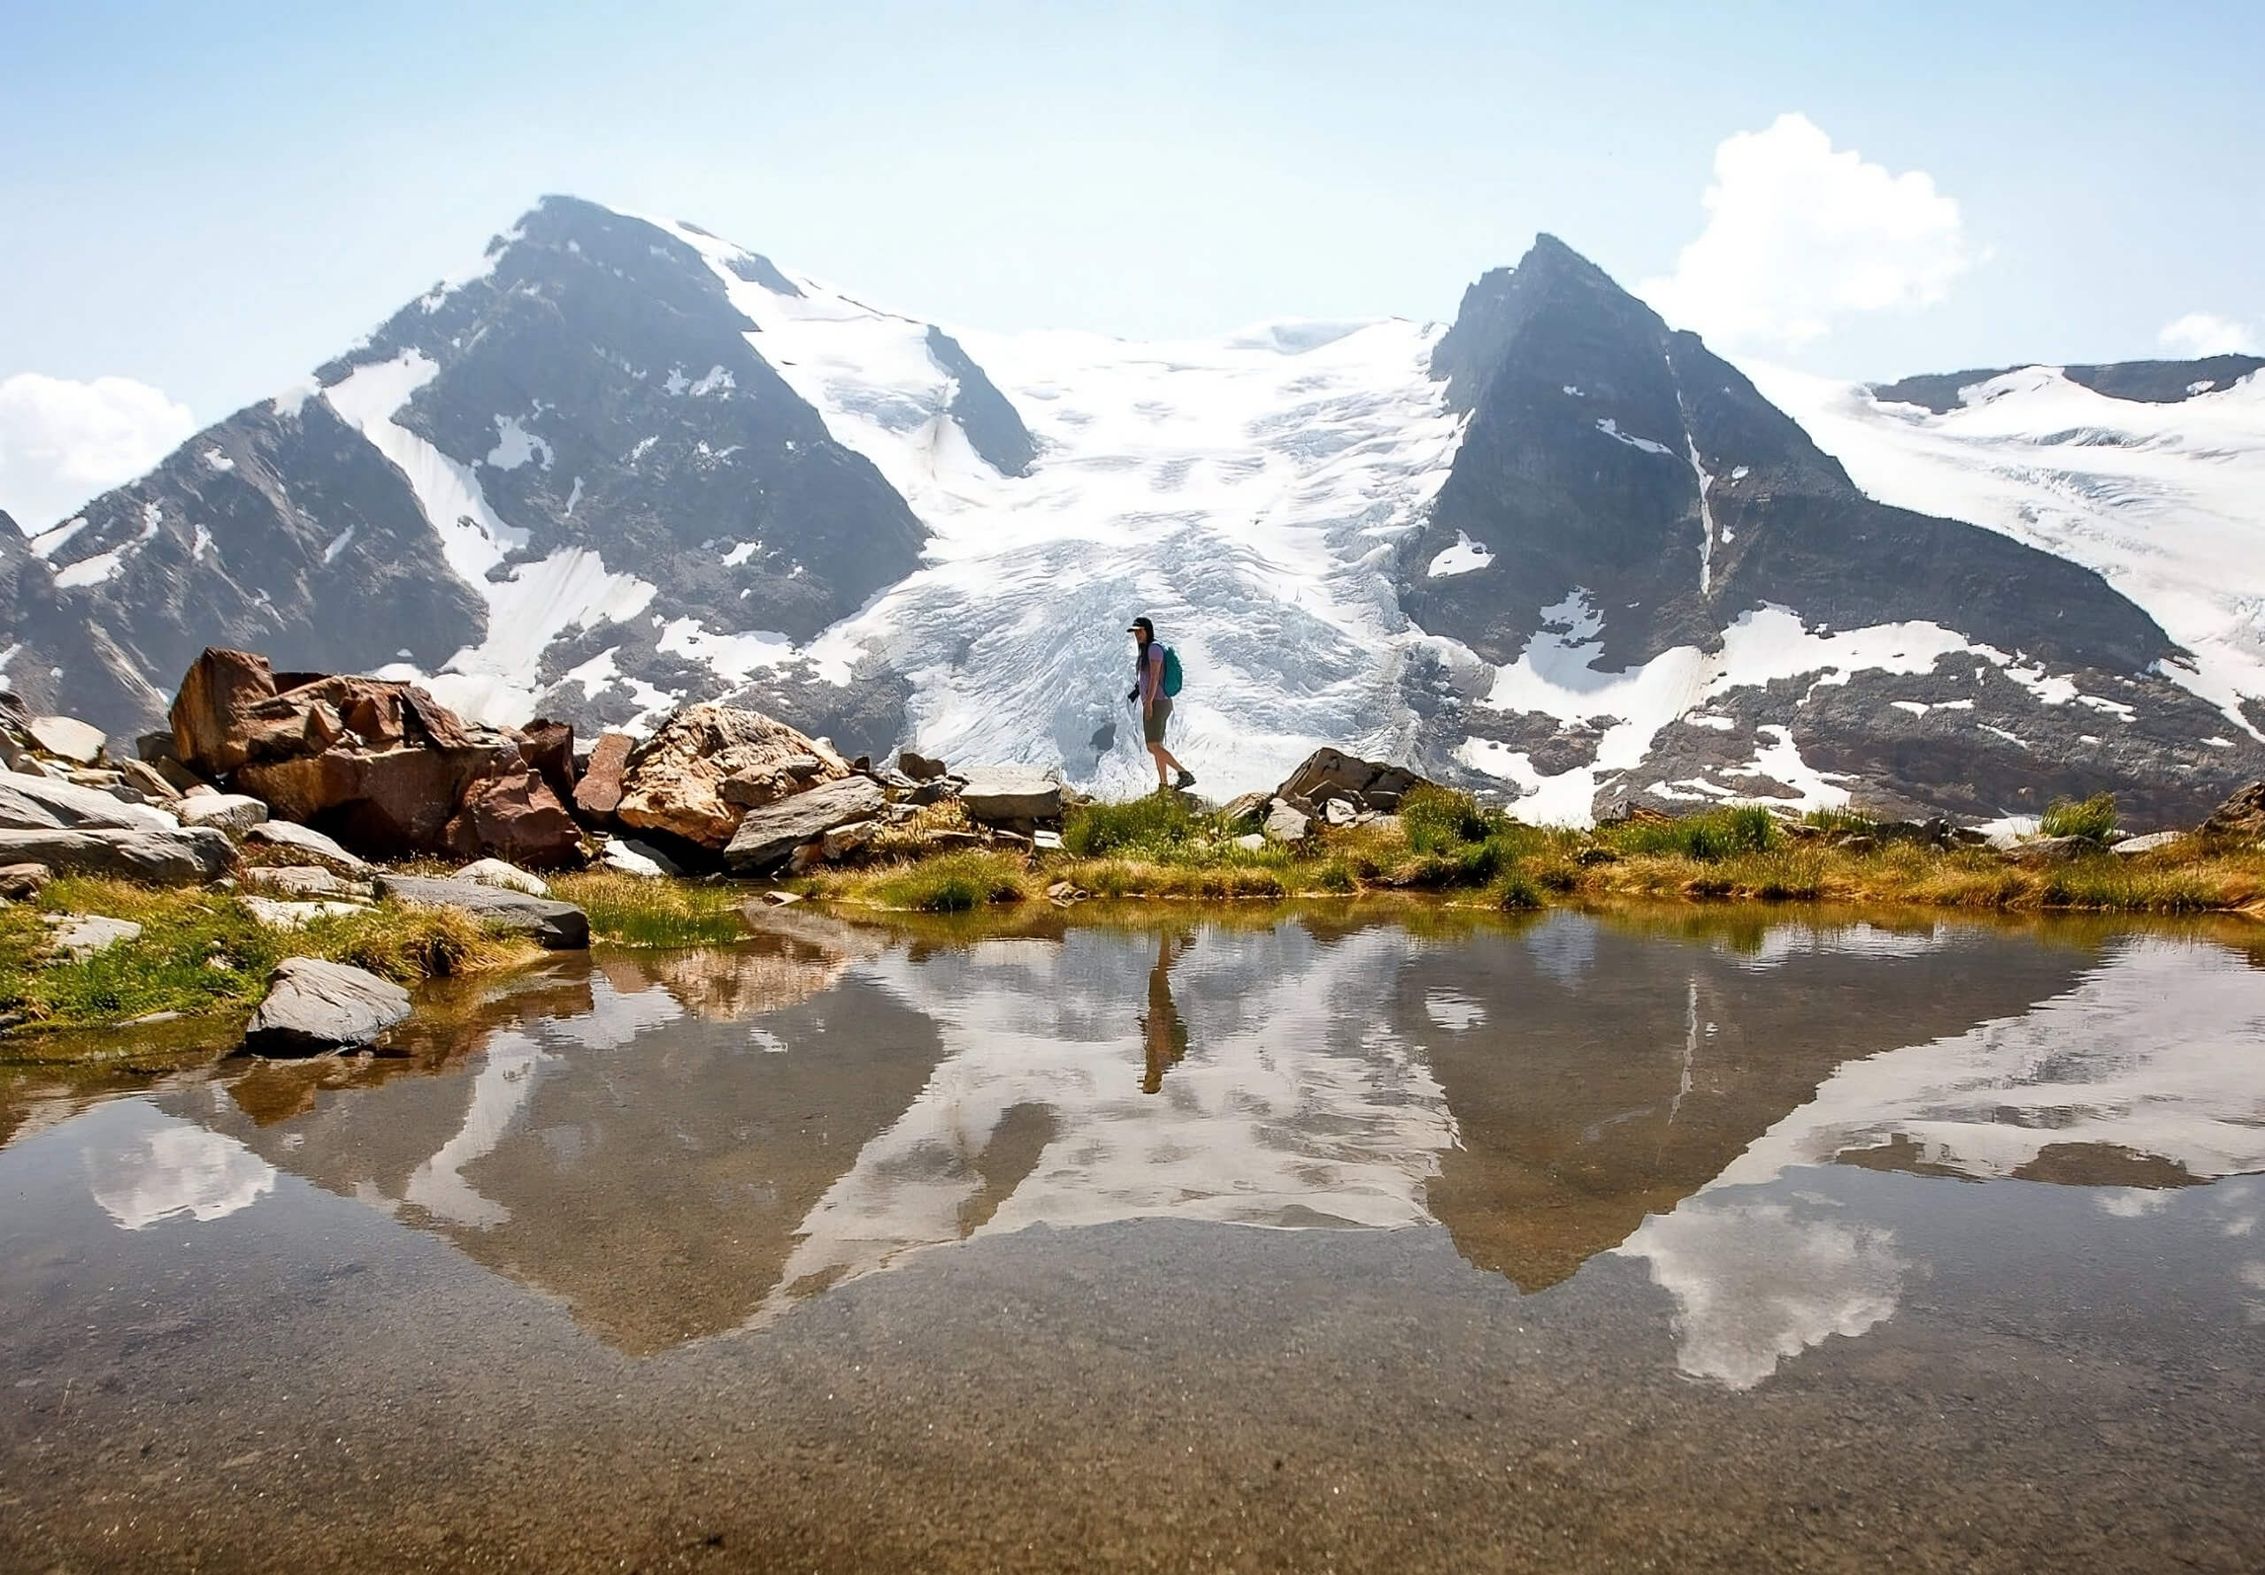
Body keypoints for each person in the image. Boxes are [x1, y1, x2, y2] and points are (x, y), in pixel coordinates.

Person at [1126, 616, 1195, 792]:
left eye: (1140, 631)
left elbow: (1155, 676)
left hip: (1157, 702)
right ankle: (1163, 785)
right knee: (1156, 746)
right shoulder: (1147, 650)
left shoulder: (1154, 649)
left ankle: (1183, 773)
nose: (1137, 635)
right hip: (1156, 702)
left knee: (1153, 746)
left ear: (1148, 630)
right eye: (1135, 632)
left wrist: (1148, 702)